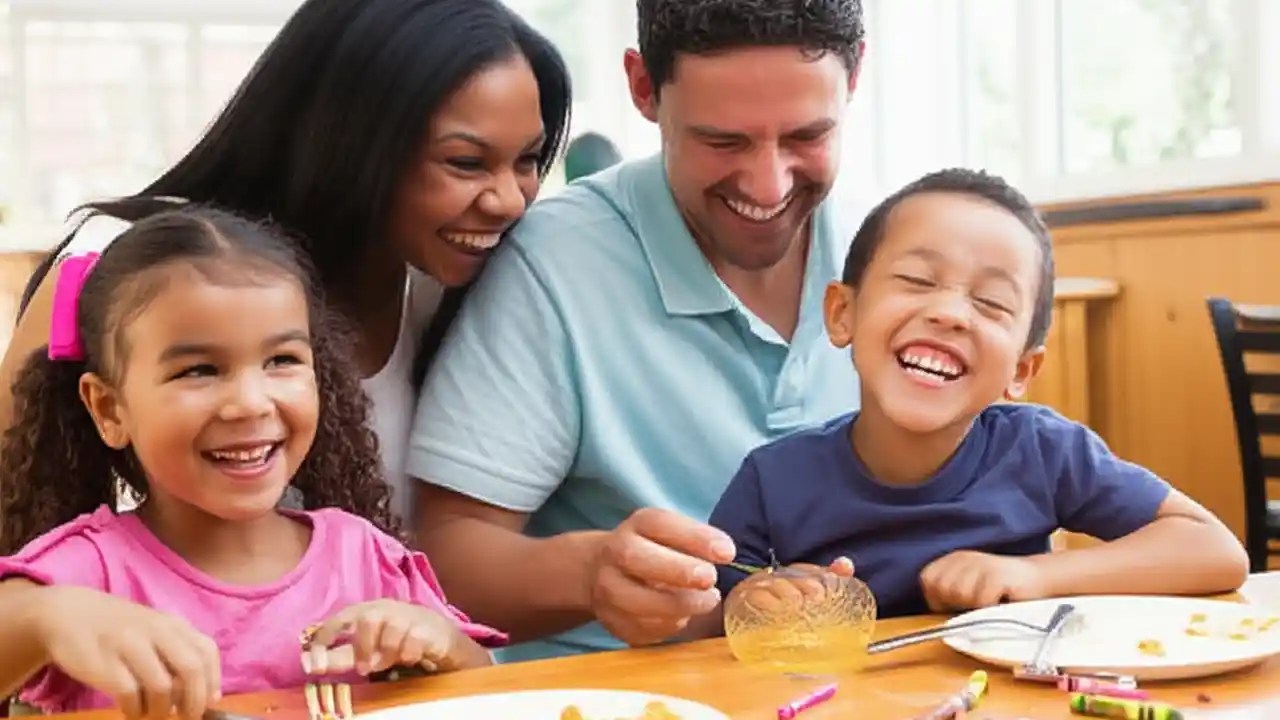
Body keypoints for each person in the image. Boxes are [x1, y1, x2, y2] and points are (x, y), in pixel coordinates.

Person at [410, 0, 868, 661]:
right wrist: (591, 574)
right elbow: (445, 554)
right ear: (644, 88)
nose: (768, 186)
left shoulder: (887, 254)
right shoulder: (555, 264)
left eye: (806, 137)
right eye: (723, 141)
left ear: (854, 80)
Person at [0, 0, 571, 525]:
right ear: (352, 140)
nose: (510, 200)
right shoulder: (126, 269)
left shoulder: (452, 286)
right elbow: (16, 525)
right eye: (466, 162)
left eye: (527, 160)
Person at [0, 207, 504, 719]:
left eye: (281, 361)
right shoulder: (89, 572)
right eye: (198, 370)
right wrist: (49, 618)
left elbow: (494, 692)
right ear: (109, 409)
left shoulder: (364, 558)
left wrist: (442, 646)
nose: (251, 403)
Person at [705, 168, 1250, 624]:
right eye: (917, 280)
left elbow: (1216, 551)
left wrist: (1033, 575)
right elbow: (702, 612)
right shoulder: (772, 479)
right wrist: (751, 603)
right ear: (842, 313)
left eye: (991, 302)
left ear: (1022, 368)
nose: (950, 312)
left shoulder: (1044, 451)